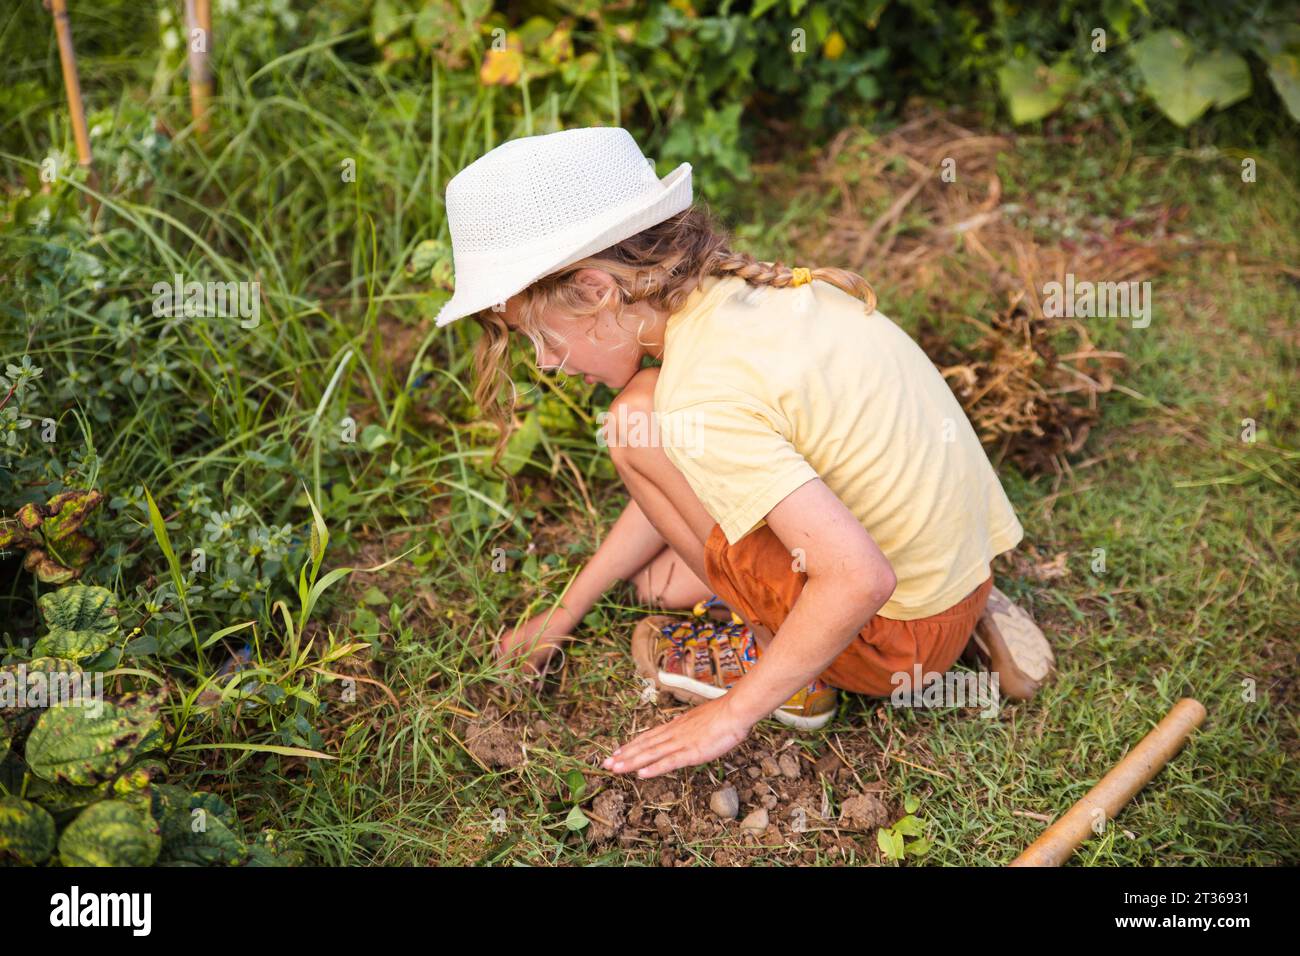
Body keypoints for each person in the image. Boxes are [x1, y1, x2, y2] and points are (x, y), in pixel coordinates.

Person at [433, 126, 1055, 779]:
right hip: (955, 569)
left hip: (892, 633)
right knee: (662, 579)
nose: (548, 365)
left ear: (594, 290)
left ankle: (790, 676)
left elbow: (860, 577)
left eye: (540, 338)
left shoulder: (699, 394)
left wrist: (730, 715)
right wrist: (564, 613)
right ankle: (970, 617)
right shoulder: (751, 295)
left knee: (629, 424)